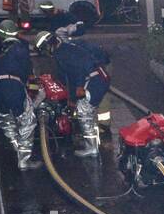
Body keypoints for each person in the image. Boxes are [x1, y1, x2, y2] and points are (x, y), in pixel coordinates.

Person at [35, 28, 111, 157]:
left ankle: (92, 148)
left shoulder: (63, 53)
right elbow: (68, 76)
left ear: (48, 46)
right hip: (98, 78)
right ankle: (92, 142)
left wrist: (79, 88)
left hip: (94, 81)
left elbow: (77, 71)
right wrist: (71, 97)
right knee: (87, 110)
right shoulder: (64, 49)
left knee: (83, 112)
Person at [0, 21, 40, 170]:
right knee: (28, 122)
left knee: (6, 120)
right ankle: (24, 161)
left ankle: (16, 146)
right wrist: (34, 90)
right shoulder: (20, 48)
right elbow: (28, 72)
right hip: (12, 87)